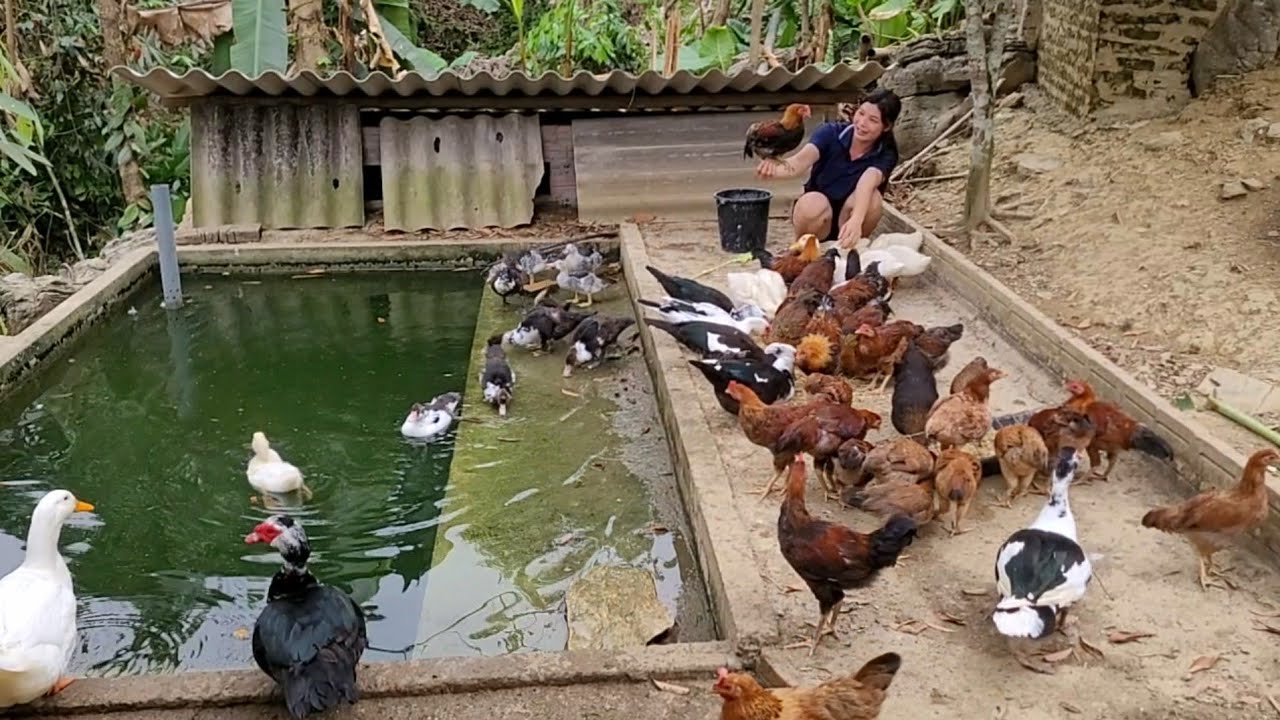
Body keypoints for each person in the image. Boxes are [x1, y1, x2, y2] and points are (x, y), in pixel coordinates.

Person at [755, 88, 902, 249]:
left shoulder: (886, 152)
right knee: (811, 203)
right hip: (819, 215)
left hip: (851, 216)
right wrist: (773, 168)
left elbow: (867, 181)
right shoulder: (830, 133)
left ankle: (852, 248)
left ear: (886, 126)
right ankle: (802, 250)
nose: (862, 123)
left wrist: (856, 220)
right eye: (861, 113)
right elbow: (799, 162)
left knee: (873, 199)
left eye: (873, 120)